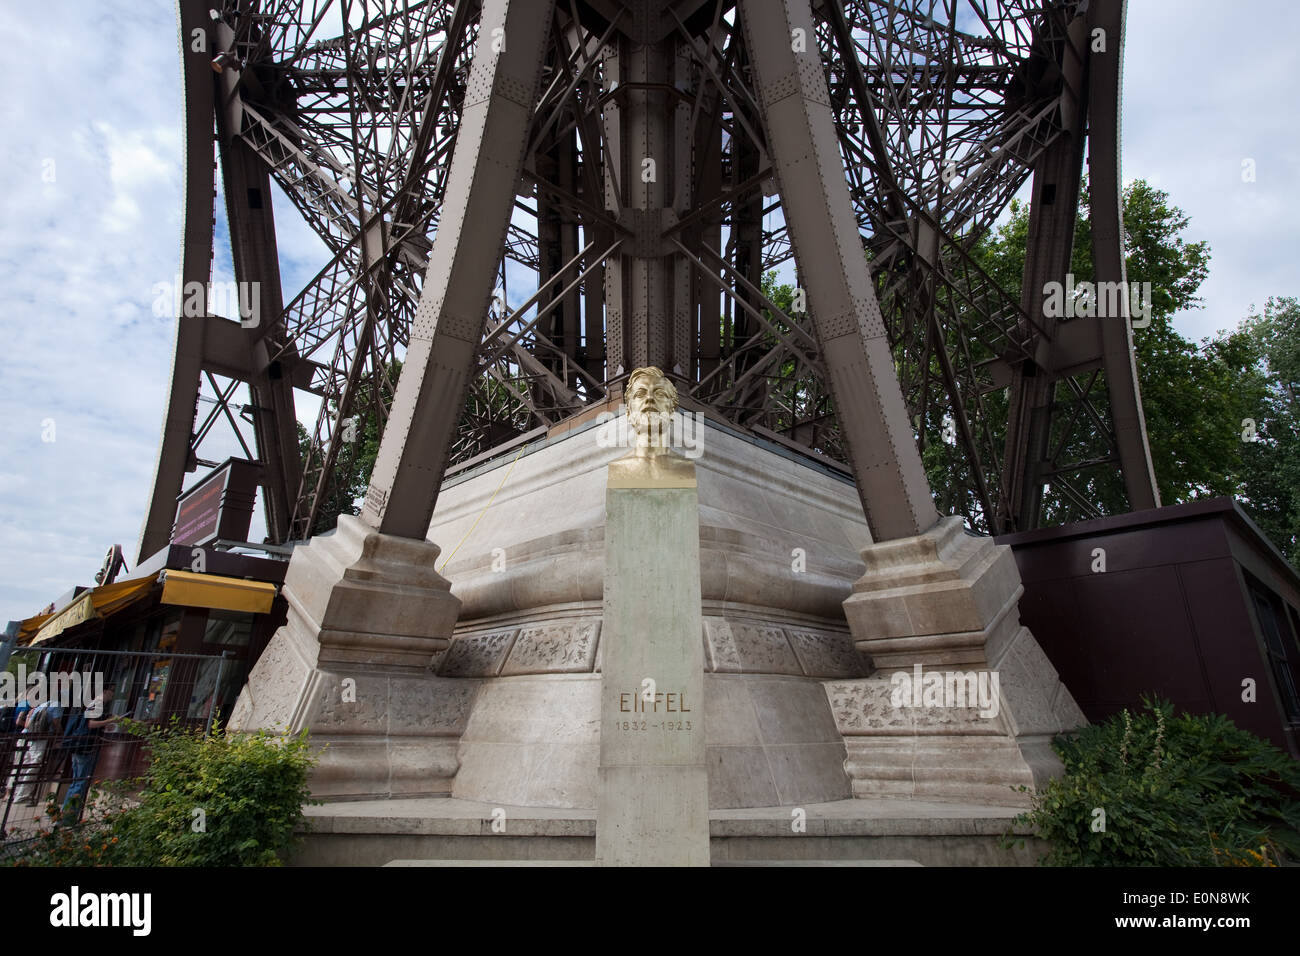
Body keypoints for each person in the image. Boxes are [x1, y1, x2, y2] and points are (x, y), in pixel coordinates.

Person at [59, 689, 122, 825]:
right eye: (111, 692)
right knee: (80, 782)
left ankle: (65, 812)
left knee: (76, 781)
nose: (112, 696)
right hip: (86, 747)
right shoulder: (98, 704)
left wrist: (105, 725)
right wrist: (110, 721)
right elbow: (90, 724)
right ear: (105, 691)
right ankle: (69, 817)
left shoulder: (91, 703)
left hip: (79, 745)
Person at [10, 695, 64, 805]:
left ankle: (15, 793)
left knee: (24, 764)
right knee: (34, 765)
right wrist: (62, 734)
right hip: (41, 738)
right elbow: (56, 722)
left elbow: (28, 723)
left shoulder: (42, 705)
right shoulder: (57, 705)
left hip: (28, 735)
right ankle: (22, 794)